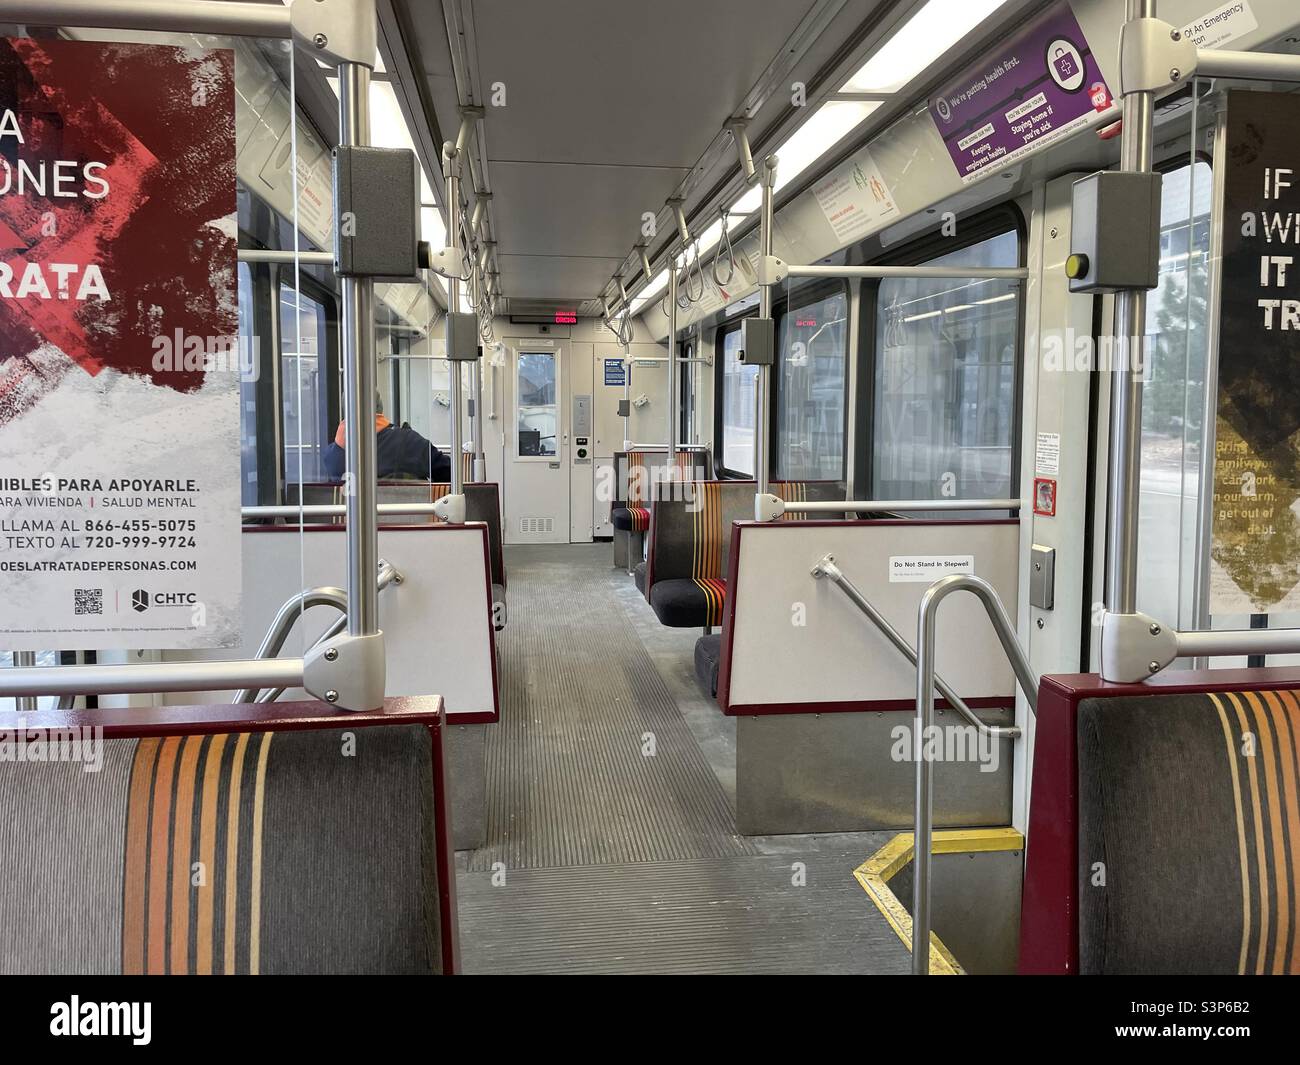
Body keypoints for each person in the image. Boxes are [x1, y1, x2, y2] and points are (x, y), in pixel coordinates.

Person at [322, 392, 453, 482]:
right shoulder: (409, 442)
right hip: (404, 520)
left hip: (349, 522)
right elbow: (449, 473)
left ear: (345, 410)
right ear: (380, 407)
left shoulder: (330, 456)